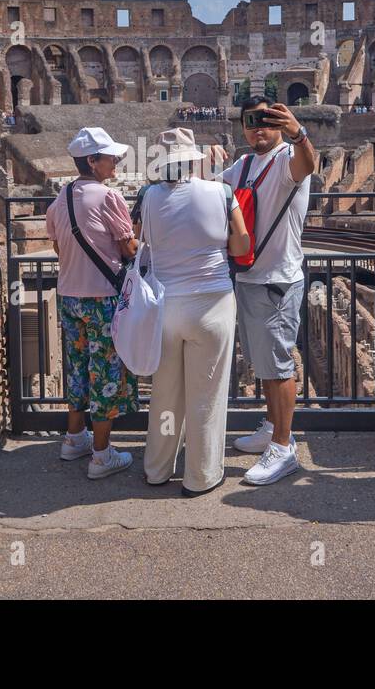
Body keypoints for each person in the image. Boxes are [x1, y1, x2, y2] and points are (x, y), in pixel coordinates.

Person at [139, 128, 250, 496]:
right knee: (207, 394)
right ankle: (200, 476)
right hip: (211, 302)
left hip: (166, 306)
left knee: (165, 392)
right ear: (192, 160)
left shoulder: (148, 196)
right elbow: (242, 242)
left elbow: (144, 241)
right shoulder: (221, 192)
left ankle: (157, 469)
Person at [219, 97, 316, 485]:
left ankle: (283, 445)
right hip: (247, 277)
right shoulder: (241, 166)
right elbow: (208, 190)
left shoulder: (286, 159)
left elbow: (308, 165)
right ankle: (272, 425)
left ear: (281, 124)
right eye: (251, 121)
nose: (259, 128)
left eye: (268, 120)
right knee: (263, 361)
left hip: (278, 279)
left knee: (277, 365)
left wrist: (300, 134)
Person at [44, 127, 139, 478]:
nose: (116, 161)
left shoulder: (60, 198)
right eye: (110, 157)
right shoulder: (108, 197)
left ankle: (74, 440)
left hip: (70, 296)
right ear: (92, 161)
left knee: (78, 367)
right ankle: (101, 456)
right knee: (106, 373)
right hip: (103, 298)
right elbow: (128, 247)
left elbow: (57, 248)